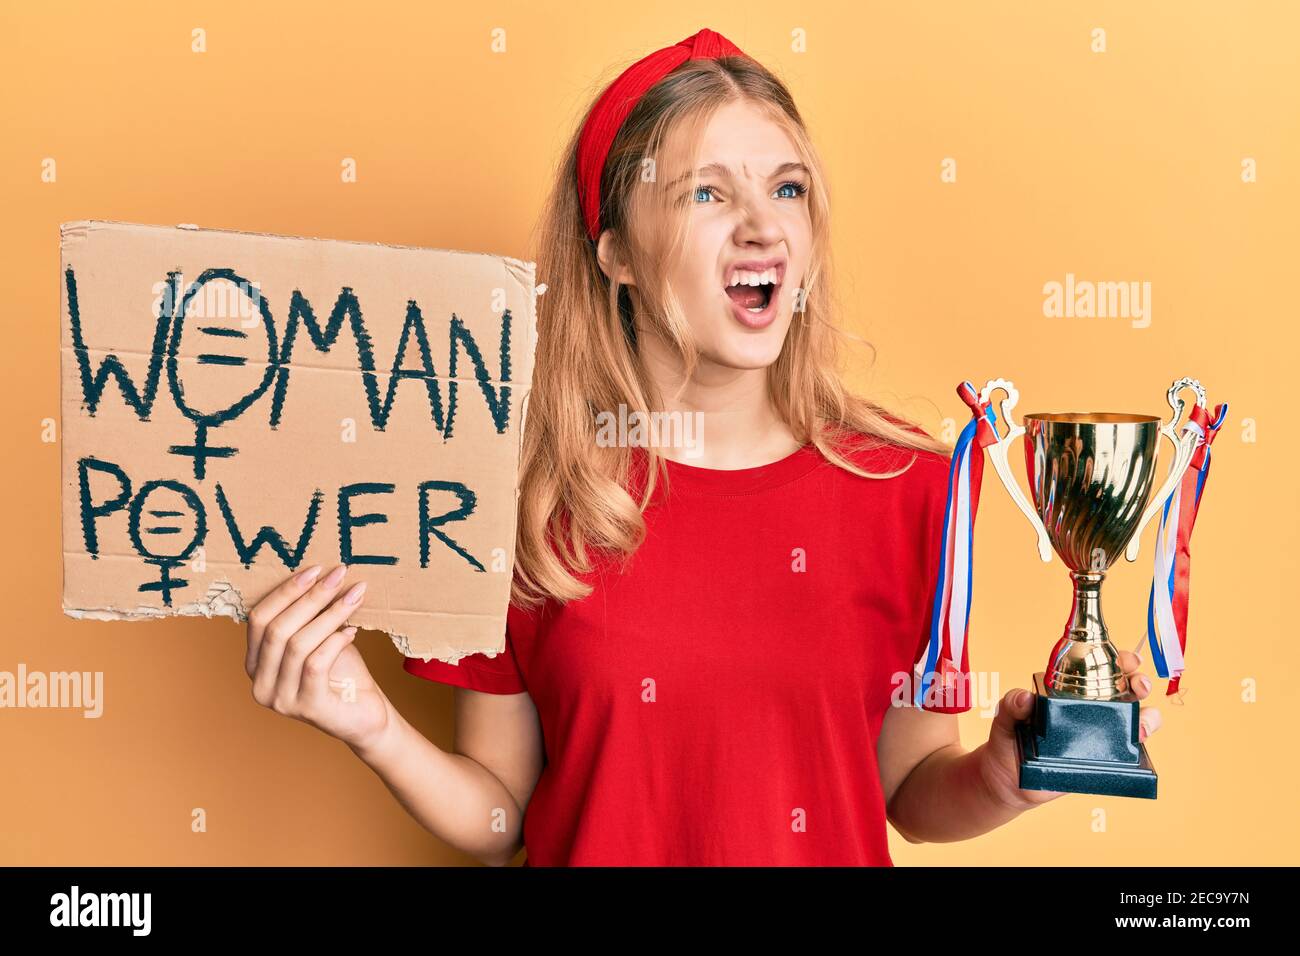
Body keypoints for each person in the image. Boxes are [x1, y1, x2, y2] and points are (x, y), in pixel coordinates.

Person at [242, 28, 1161, 866]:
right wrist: (368, 726)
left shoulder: (908, 484)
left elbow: (908, 794)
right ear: (617, 255)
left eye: (787, 189)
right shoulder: (520, 492)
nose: (763, 226)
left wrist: (1006, 776)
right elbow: (503, 820)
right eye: (708, 193)